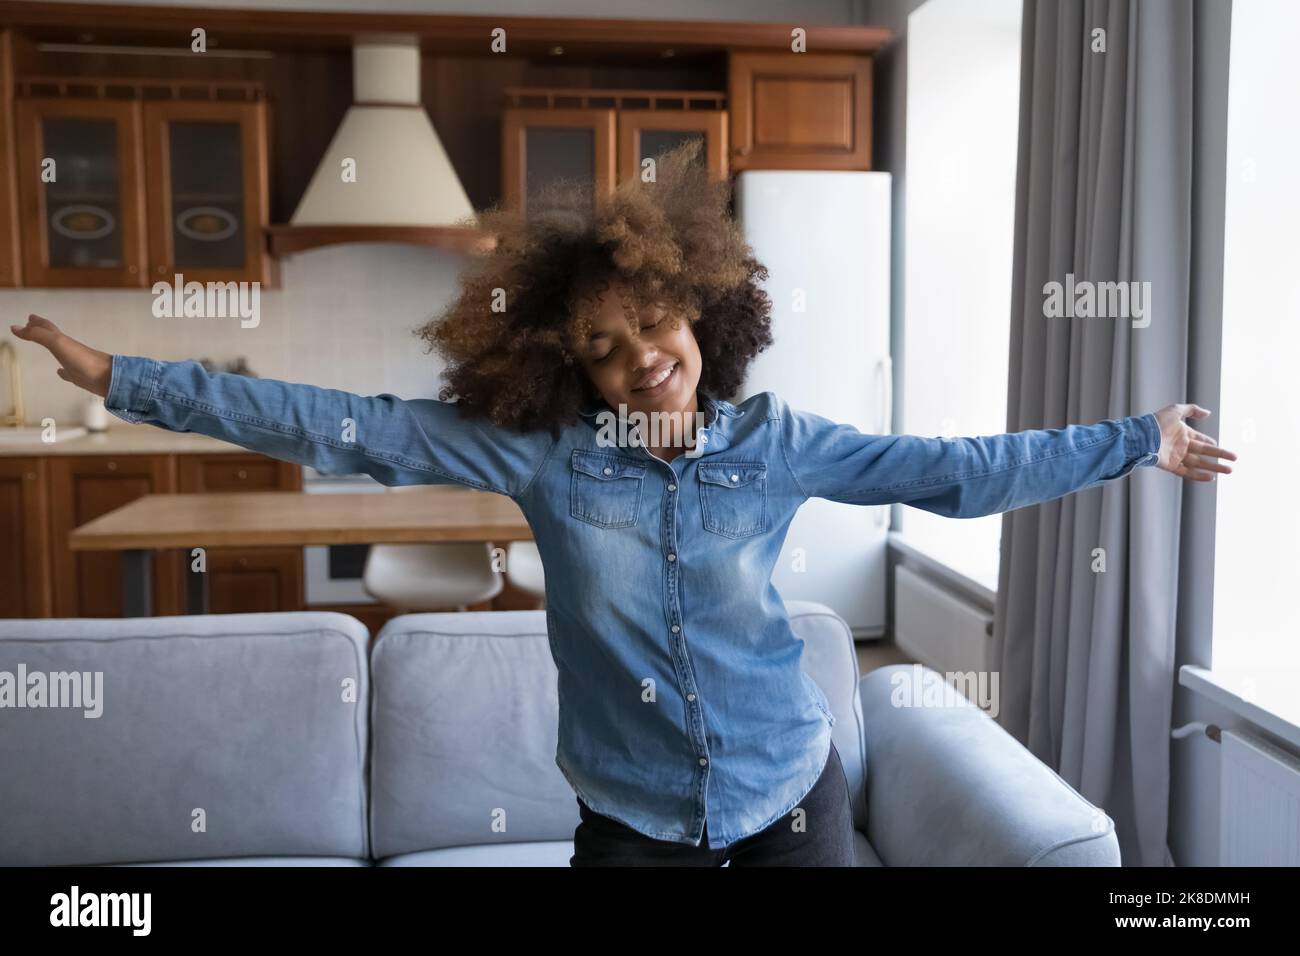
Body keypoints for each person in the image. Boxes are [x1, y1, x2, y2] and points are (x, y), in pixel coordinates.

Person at [9, 141, 1237, 867]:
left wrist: (1136, 438)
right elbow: (343, 426)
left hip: (788, 797)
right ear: (568, 367)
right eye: (601, 345)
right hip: (630, 819)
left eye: (653, 321)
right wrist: (129, 380)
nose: (639, 355)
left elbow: (959, 472)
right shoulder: (542, 456)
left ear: (699, 312)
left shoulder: (780, 442)